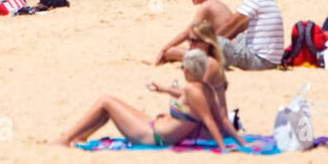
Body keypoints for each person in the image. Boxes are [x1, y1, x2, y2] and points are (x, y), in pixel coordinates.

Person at [54, 48, 244, 150]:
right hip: (154, 128)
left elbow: (210, 120)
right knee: (111, 107)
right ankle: (80, 135)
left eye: (184, 67)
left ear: (189, 69)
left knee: (106, 101)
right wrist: (242, 143)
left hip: (153, 137)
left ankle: (65, 140)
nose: (182, 70)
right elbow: (222, 119)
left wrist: (222, 147)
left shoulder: (194, 91)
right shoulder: (204, 89)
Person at [155, 0, 234, 63]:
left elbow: (187, 33)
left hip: (224, 52)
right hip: (232, 47)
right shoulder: (216, 3)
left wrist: (163, 49)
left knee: (170, 51)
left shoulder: (206, 6)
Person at [217, 0, 285, 71]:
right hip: (274, 59)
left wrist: (210, 39)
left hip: (261, 61)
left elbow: (231, 23)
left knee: (217, 43)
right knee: (240, 37)